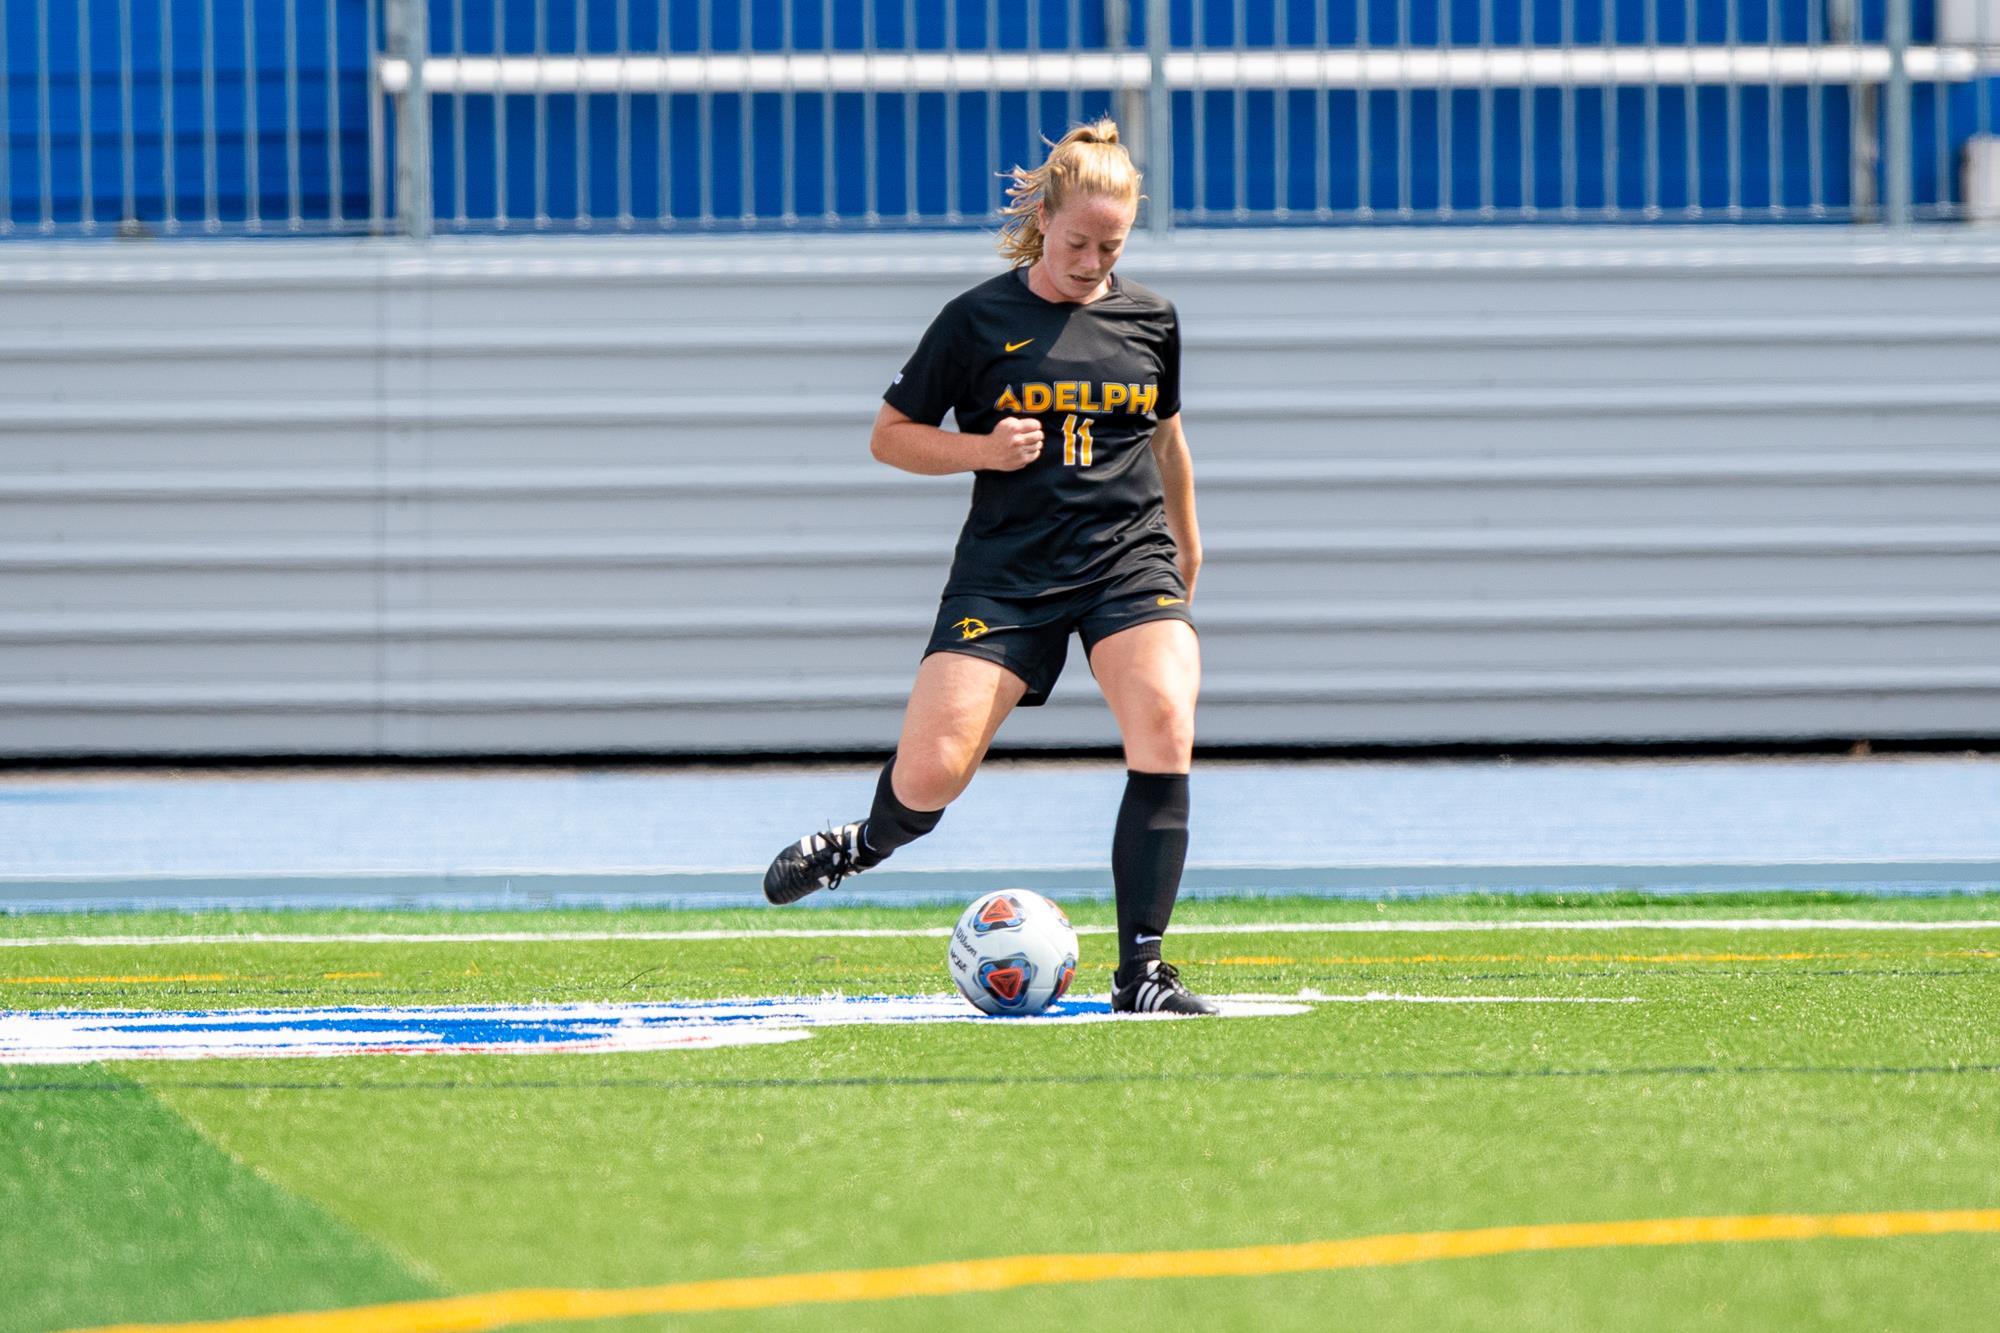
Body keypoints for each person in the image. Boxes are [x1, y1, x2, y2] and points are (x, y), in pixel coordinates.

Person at [760, 116, 1215, 1016]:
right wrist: (983, 453)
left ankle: (1144, 973)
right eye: (1079, 241)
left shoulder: (1151, 318)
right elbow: (890, 439)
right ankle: (864, 841)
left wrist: (1188, 550)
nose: (1092, 261)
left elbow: (1167, 441)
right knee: (930, 772)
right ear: (1044, 218)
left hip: (1128, 561)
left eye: (1111, 246)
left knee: (1164, 718)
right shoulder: (977, 319)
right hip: (1006, 575)